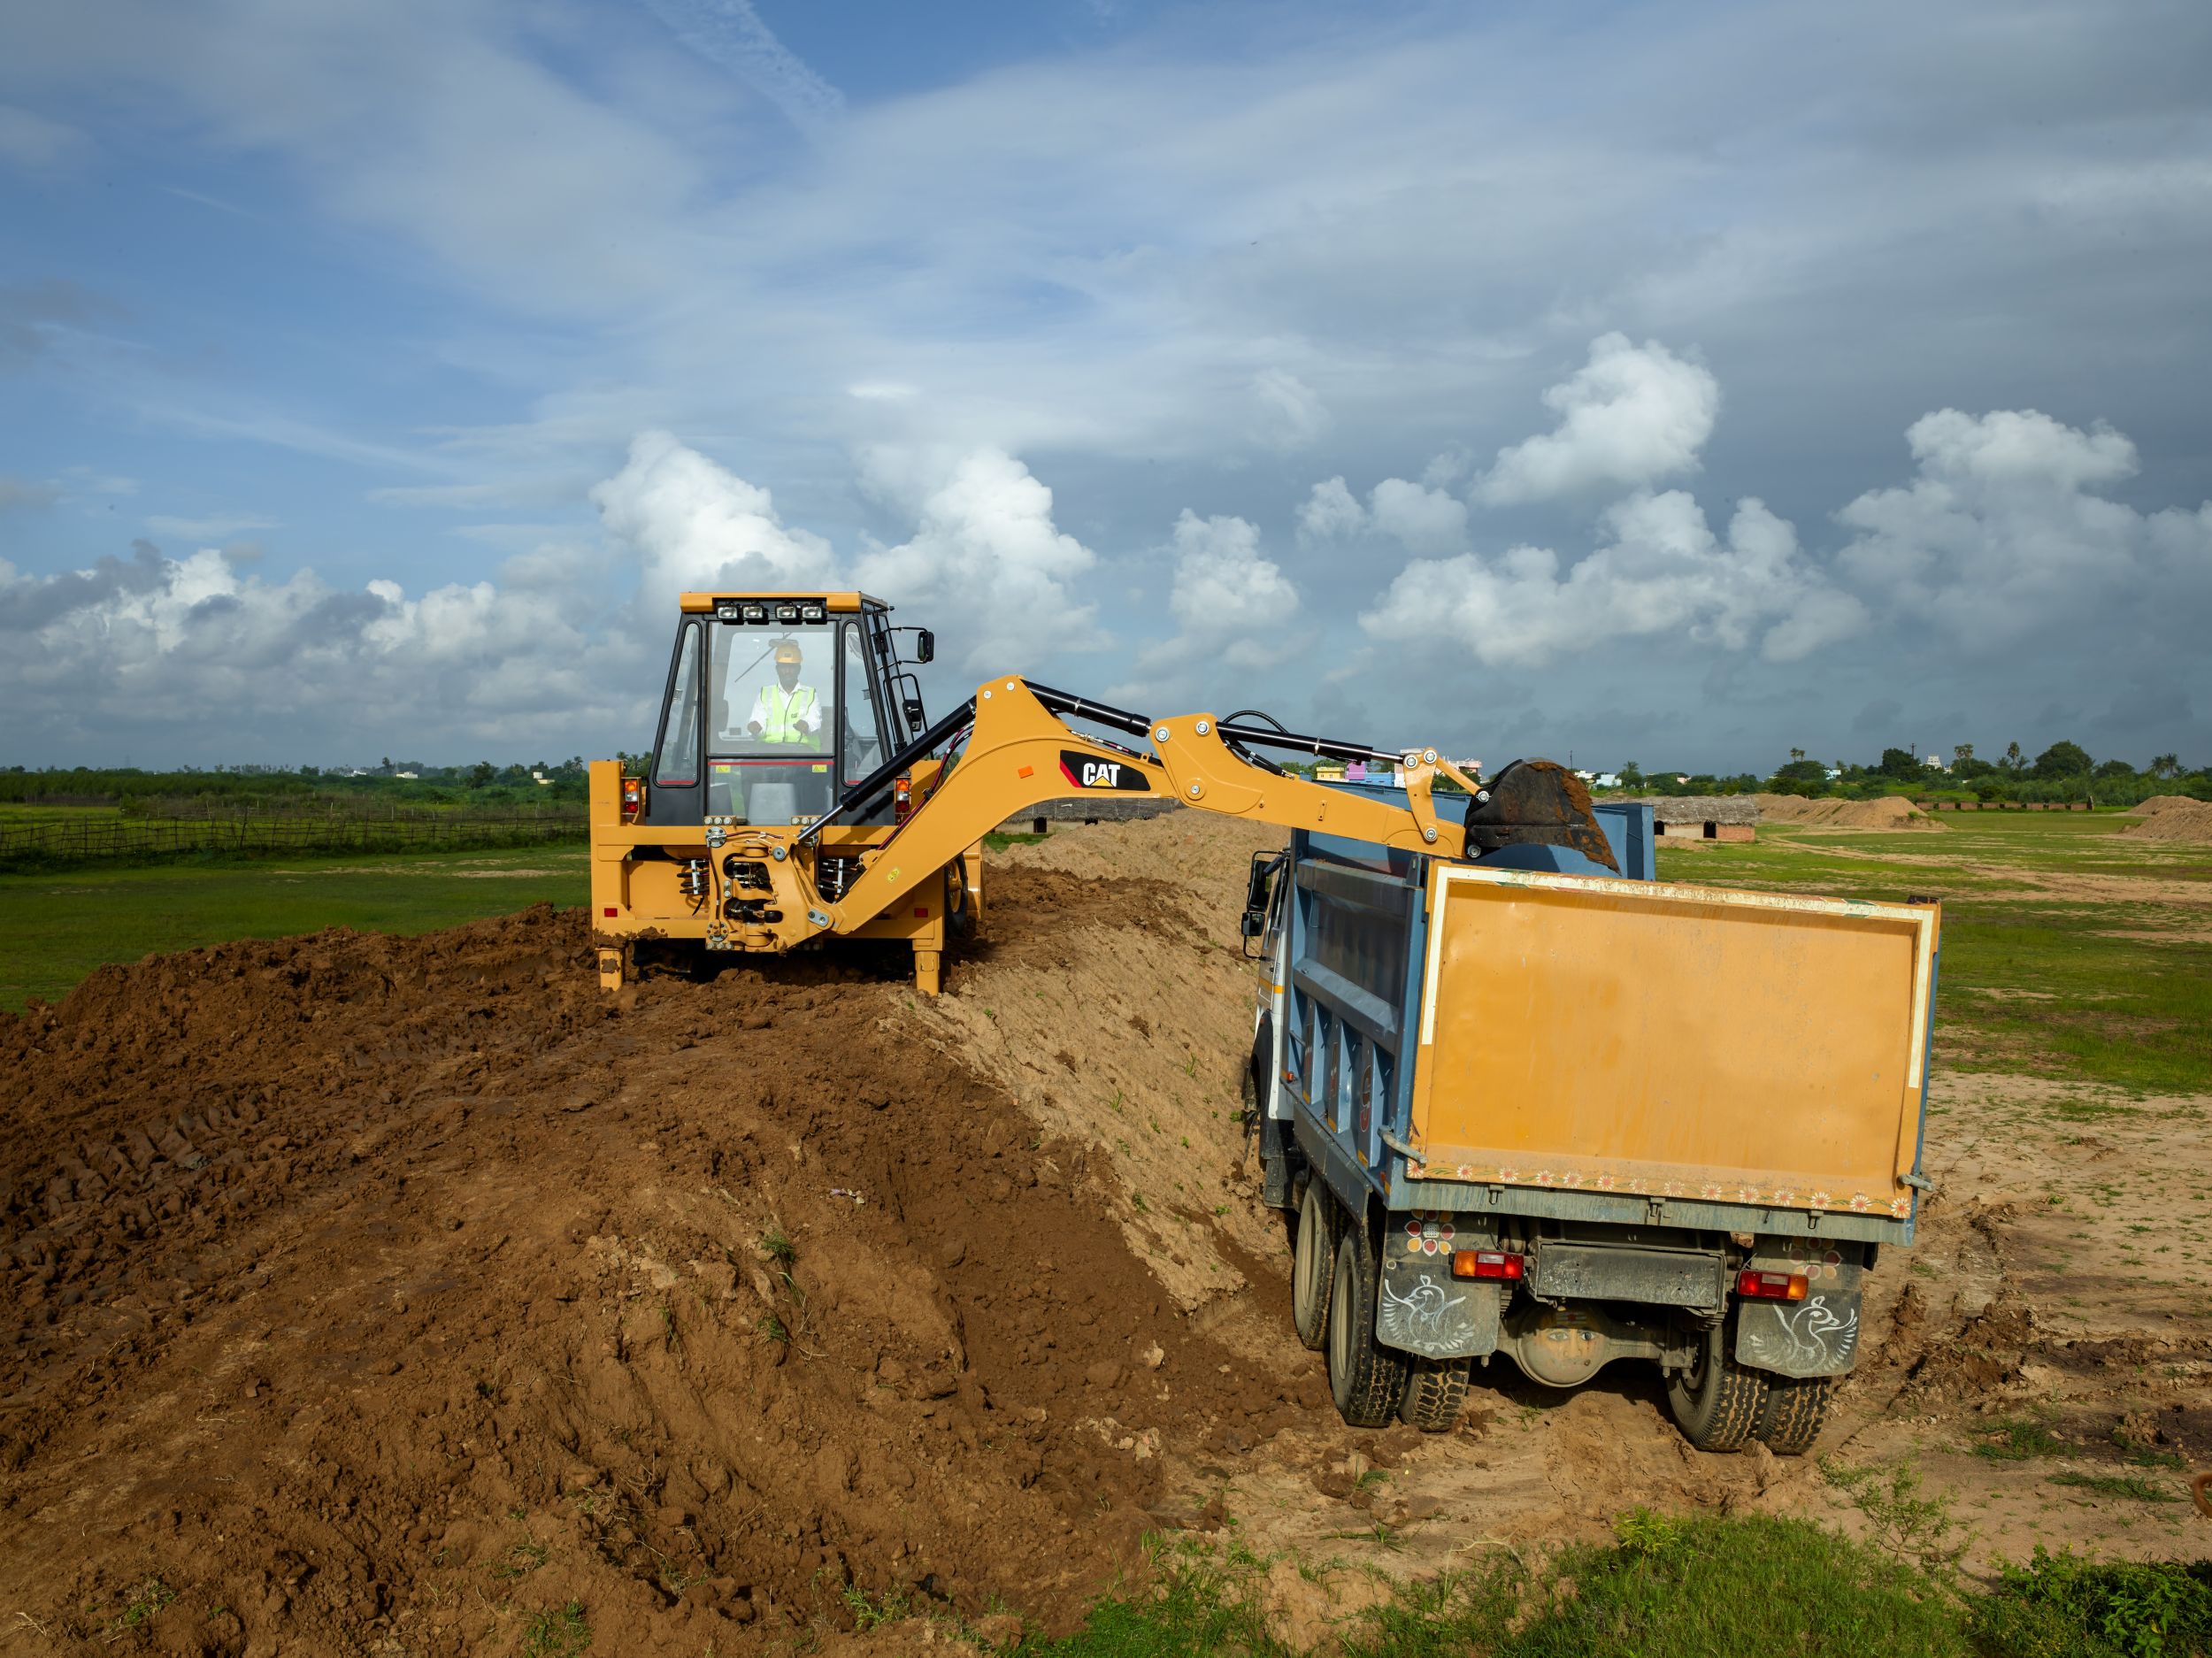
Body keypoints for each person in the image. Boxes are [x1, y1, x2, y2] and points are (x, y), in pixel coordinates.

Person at [746, 640, 824, 748]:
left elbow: (815, 722)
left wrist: (807, 726)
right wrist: (755, 728)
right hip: (771, 752)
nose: (787, 671)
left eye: (791, 667)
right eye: (783, 666)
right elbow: (759, 721)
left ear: (799, 669)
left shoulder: (811, 694)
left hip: (804, 753)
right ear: (777, 669)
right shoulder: (765, 694)